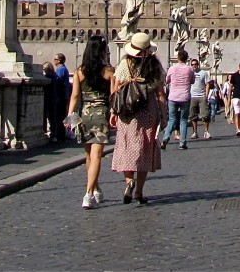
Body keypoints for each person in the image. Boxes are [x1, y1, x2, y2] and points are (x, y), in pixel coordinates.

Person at [111, 31, 165, 205]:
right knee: (144, 149)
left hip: (127, 112)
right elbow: (161, 93)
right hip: (148, 111)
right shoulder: (154, 65)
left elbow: (117, 89)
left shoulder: (124, 64)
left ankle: (129, 182)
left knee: (127, 147)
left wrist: (113, 112)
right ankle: (139, 192)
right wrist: (164, 116)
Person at [66, 35, 114, 209]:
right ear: (102, 51)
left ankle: (95, 188)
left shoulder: (79, 71)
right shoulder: (108, 71)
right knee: (96, 156)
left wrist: (70, 117)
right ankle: (87, 194)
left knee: (88, 156)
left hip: (84, 115)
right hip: (101, 115)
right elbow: (114, 95)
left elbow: (75, 96)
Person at [160, 48, 195, 149]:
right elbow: (192, 81)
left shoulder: (172, 68)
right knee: (183, 120)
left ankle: (166, 137)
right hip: (185, 97)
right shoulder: (190, 69)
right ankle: (182, 142)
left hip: (173, 96)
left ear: (178, 58)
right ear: (187, 58)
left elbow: (167, 80)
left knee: (172, 119)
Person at [187, 58, 212, 140]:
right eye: (192, 64)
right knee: (193, 115)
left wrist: (206, 95)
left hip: (201, 96)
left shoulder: (203, 73)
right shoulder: (189, 73)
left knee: (205, 114)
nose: (194, 66)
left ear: (198, 65)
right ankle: (195, 132)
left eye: (195, 64)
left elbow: (207, 84)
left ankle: (206, 131)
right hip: (192, 96)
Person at [52, 54, 71, 143]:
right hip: (64, 96)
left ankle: (60, 136)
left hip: (60, 96)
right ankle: (62, 135)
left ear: (59, 60)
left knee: (59, 117)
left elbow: (57, 81)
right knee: (61, 116)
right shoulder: (64, 69)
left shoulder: (60, 70)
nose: (54, 60)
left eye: (55, 59)